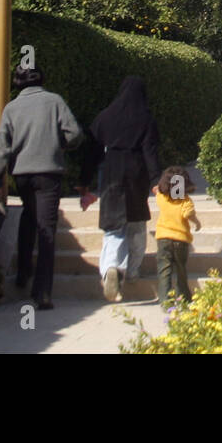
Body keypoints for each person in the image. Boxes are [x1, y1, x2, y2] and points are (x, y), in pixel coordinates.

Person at [0, 65, 86, 310]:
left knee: (28, 214)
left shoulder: (11, 107)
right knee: (46, 228)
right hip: (48, 172)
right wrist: (60, 145)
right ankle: (42, 292)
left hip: (21, 174)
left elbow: (1, 147)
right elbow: (75, 133)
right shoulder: (54, 101)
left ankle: (23, 271)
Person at [81, 76, 160, 303]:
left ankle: (111, 268)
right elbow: (150, 152)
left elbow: (92, 152)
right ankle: (133, 270)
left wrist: (83, 182)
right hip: (136, 176)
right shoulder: (145, 119)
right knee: (136, 226)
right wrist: (156, 180)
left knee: (114, 228)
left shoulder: (104, 117)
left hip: (111, 174)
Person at [154, 165, 201, 306]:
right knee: (181, 269)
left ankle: (165, 300)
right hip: (181, 239)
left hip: (163, 238)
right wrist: (197, 223)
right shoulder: (186, 201)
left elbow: (157, 190)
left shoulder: (162, 198)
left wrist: (160, 187)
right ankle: (184, 297)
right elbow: (189, 214)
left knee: (164, 270)